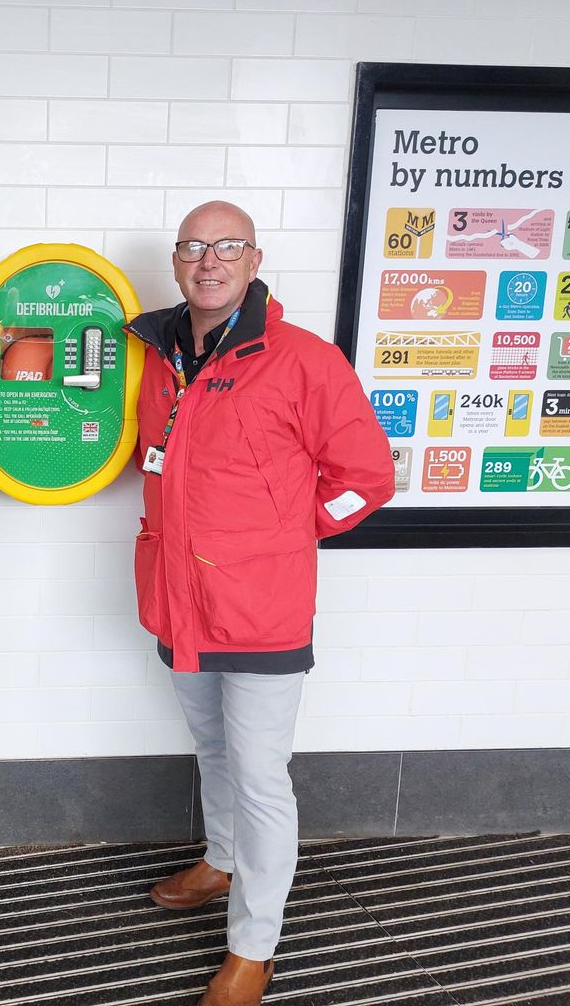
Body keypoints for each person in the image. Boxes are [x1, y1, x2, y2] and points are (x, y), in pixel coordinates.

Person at [127, 201, 394, 1006]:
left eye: (227, 247)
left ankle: (254, 947)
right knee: (212, 750)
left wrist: (288, 531)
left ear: (253, 259)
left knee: (258, 773)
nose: (208, 261)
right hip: (177, 601)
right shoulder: (158, 356)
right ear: (176, 262)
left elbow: (367, 479)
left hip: (262, 608)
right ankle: (221, 859)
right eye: (193, 247)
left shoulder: (304, 360)